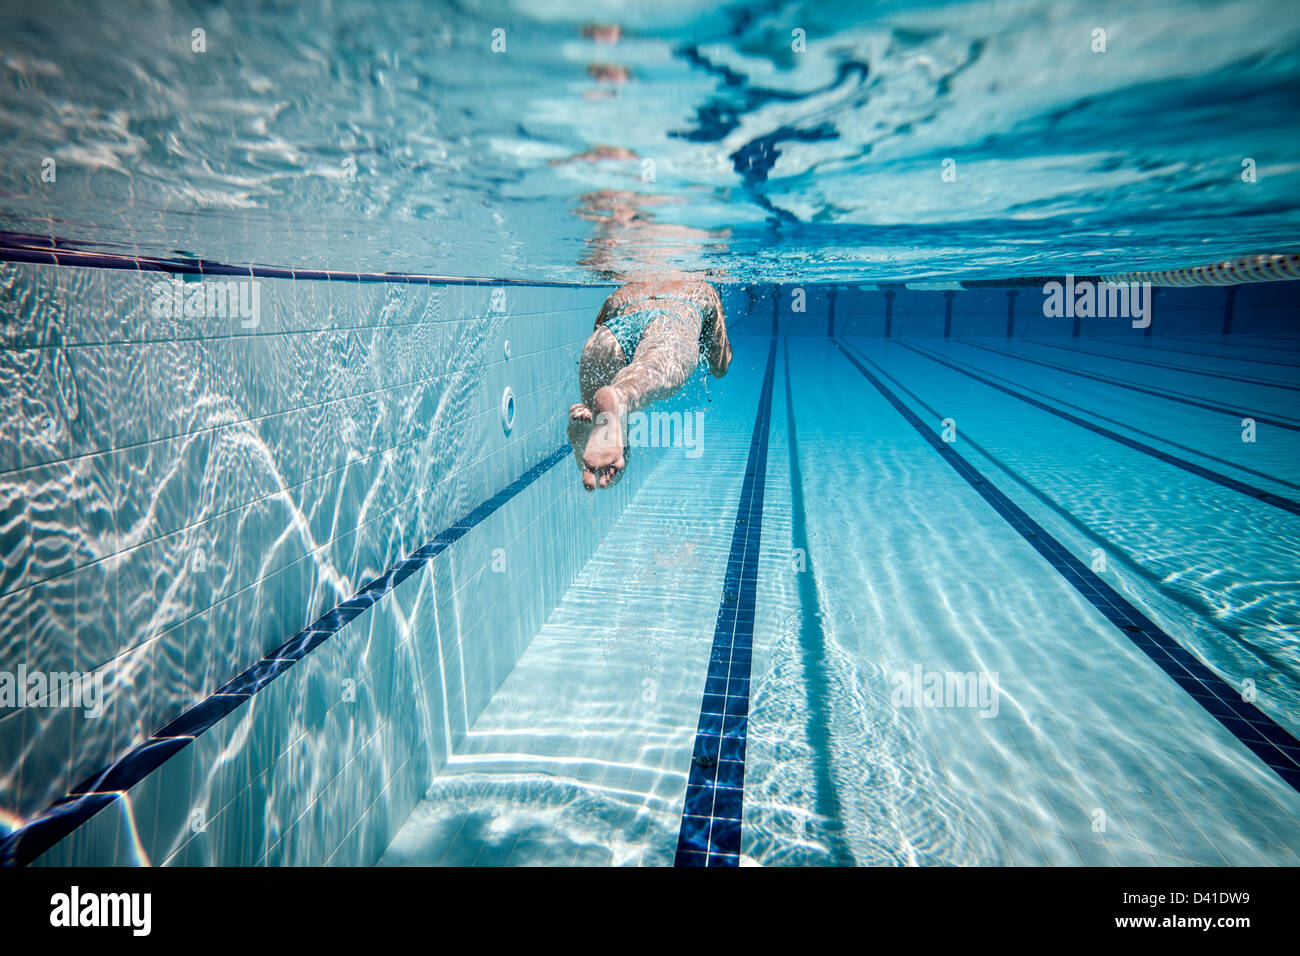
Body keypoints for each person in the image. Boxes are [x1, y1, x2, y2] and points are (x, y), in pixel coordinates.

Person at [568, 276, 731, 490]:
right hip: (670, 323)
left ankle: (590, 417)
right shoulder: (702, 289)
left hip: (607, 338)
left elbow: (599, 328)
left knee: (606, 427)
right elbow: (720, 366)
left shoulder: (624, 290)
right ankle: (618, 398)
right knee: (652, 368)